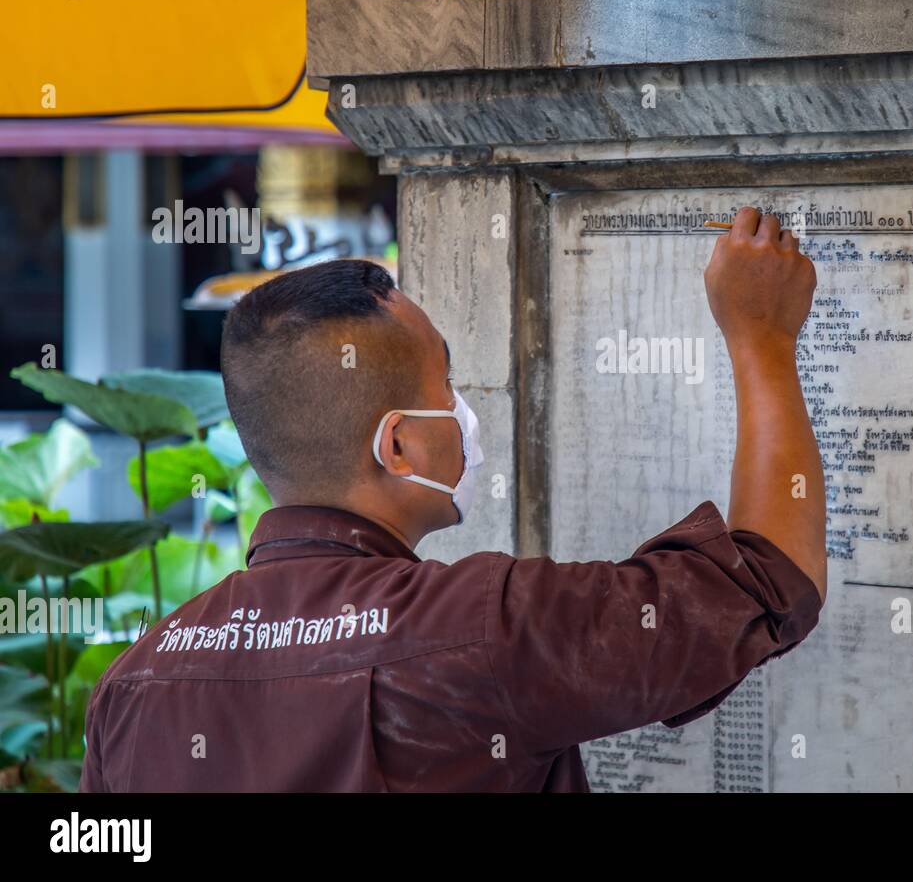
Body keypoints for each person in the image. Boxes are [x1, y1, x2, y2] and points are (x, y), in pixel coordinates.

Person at [79, 206, 826, 791]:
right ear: (397, 444)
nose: (465, 409)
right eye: (448, 382)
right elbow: (769, 580)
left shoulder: (134, 682)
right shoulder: (481, 630)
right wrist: (761, 337)